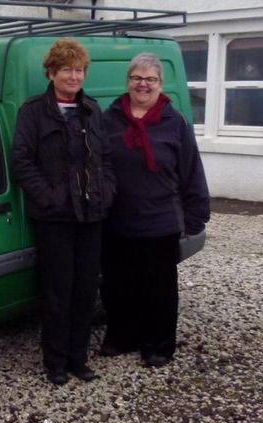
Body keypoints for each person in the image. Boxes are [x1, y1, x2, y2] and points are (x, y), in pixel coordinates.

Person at [11, 39, 116, 385]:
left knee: (86, 290)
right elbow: (22, 162)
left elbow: (106, 158)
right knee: (58, 291)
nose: (74, 76)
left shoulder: (91, 108)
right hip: (55, 218)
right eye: (67, 69)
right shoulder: (34, 111)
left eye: (79, 70)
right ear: (52, 72)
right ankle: (55, 363)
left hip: (91, 215)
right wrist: (50, 198)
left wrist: (108, 191)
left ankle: (78, 359)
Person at [101, 53, 210, 368]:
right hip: (116, 221)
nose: (143, 84)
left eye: (150, 79)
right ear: (128, 82)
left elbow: (192, 172)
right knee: (117, 286)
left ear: (160, 85)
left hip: (159, 222)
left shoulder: (174, 123)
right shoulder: (109, 120)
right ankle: (123, 336)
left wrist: (195, 217)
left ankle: (158, 345)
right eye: (137, 78)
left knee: (158, 290)